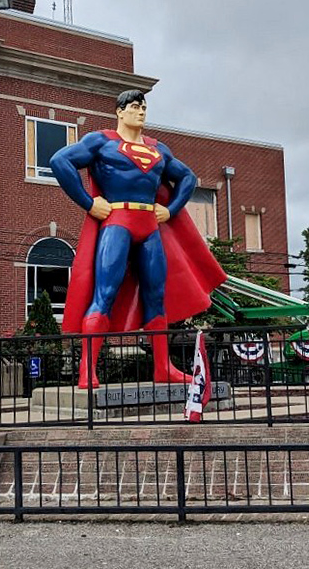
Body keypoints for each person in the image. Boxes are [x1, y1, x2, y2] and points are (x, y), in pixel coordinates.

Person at [50, 90, 226, 388]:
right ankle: (86, 370)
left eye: (143, 107)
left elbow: (187, 177)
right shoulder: (101, 141)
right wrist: (89, 203)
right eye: (134, 107)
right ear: (119, 112)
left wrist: (169, 211)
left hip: (149, 226)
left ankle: (162, 368)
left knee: (156, 297)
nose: (141, 112)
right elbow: (60, 161)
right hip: (117, 222)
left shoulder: (159, 149)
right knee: (104, 293)